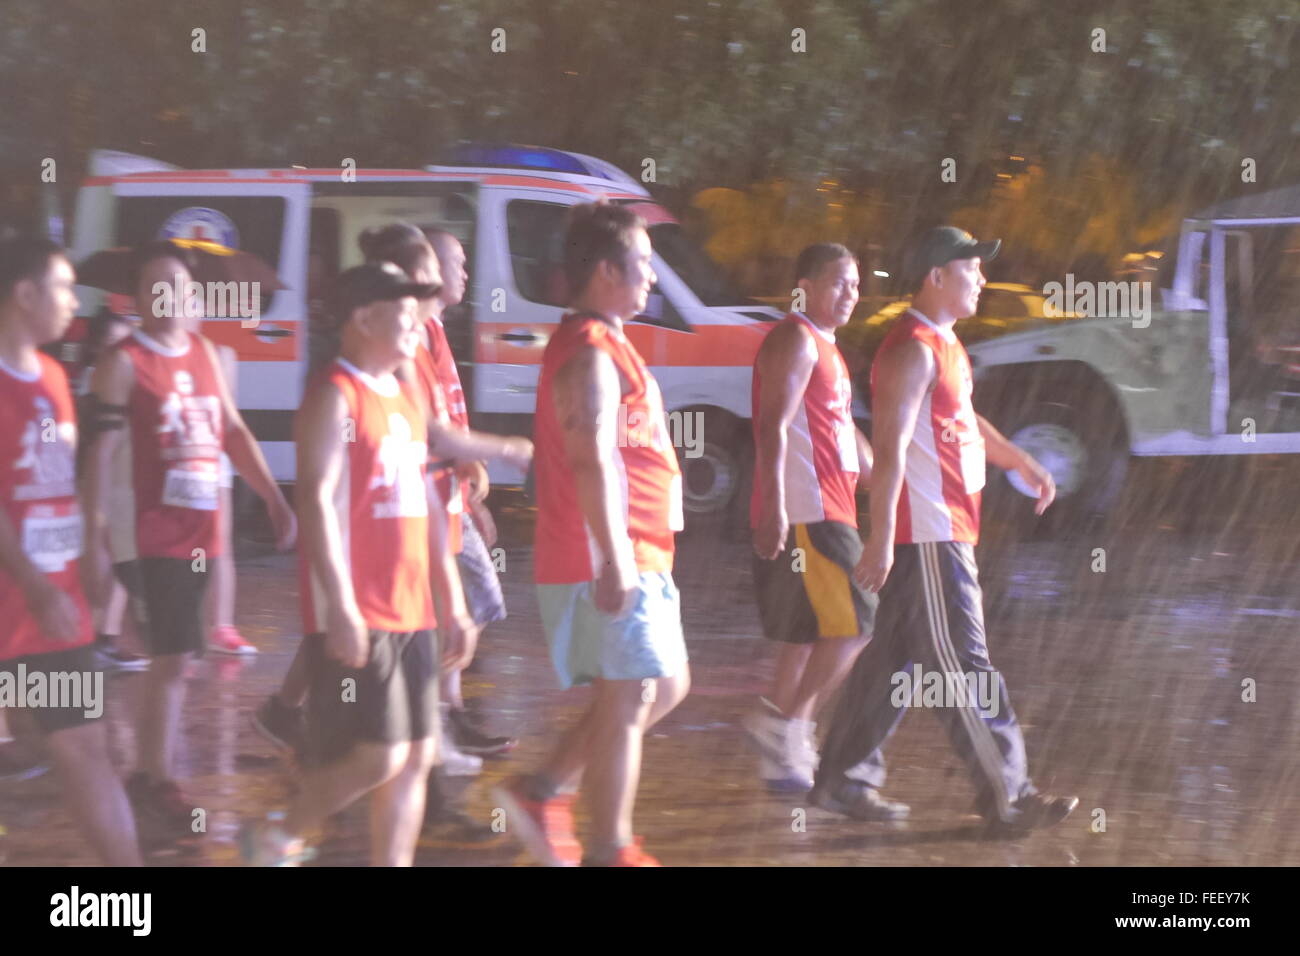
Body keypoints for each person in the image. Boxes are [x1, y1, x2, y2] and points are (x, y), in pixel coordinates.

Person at [812, 227, 1078, 830]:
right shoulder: (910, 349)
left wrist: (1019, 459)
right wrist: (880, 537)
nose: (982, 278)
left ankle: (840, 780)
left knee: (895, 670)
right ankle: (1009, 797)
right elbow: (890, 444)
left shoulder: (945, 345)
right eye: (972, 268)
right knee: (965, 667)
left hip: (941, 532)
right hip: (930, 535)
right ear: (936, 277)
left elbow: (962, 417)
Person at [241, 262, 462, 866]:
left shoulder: (404, 395)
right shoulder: (333, 395)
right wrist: (338, 605)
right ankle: (279, 837)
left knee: (418, 753)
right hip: (361, 606)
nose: (418, 320)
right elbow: (313, 500)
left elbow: (426, 501)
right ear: (364, 317)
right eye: (405, 307)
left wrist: (453, 603)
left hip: (413, 604)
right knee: (380, 754)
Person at [493, 202, 690, 867]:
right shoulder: (589, 353)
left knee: (662, 689)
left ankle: (542, 790)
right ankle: (610, 848)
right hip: (605, 551)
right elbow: (591, 456)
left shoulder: (607, 342)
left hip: (638, 547)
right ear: (608, 270)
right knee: (633, 693)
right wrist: (614, 559)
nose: (653, 280)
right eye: (645, 266)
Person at [83, 240, 295, 841]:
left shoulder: (204, 352)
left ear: (194, 296)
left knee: (180, 657)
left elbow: (231, 429)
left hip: (197, 529)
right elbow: (97, 454)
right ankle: (152, 777)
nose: (168, 298)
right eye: (155, 289)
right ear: (138, 299)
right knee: (175, 657)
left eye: (178, 287)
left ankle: (149, 775)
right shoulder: (122, 362)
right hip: (145, 531)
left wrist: (277, 500)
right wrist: (95, 534)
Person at [0, 237, 141, 864]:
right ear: (23, 293)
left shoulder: (56, 375)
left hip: (54, 610)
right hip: (23, 599)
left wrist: (91, 554)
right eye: (61, 287)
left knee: (84, 745)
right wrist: (32, 582)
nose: (72, 300)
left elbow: (61, 485)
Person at [746, 243, 876, 792]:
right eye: (840, 283)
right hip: (810, 509)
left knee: (804, 635)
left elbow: (840, 431)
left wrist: (892, 481)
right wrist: (774, 504)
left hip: (830, 505)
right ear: (805, 286)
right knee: (859, 622)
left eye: (856, 285)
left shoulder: (827, 348)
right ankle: (790, 724)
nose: (852, 294)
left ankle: (781, 746)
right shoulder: (795, 339)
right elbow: (772, 427)